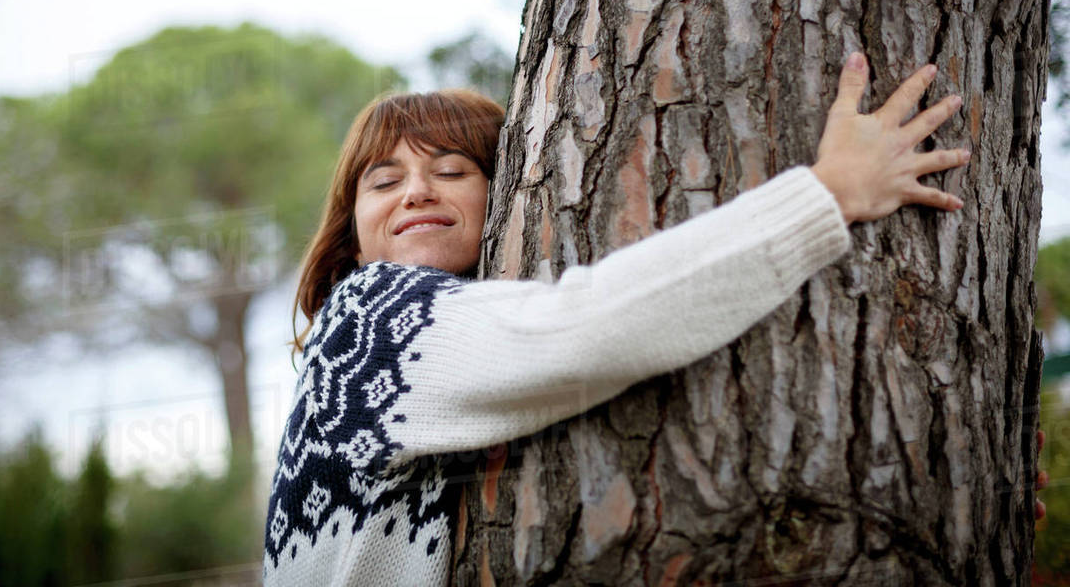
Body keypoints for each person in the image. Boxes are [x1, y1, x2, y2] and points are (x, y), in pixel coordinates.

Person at [261, 53, 1047, 585]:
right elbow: (583, 329)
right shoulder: (367, 322)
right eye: (384, 180)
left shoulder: (426, 370)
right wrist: (827, 194)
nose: (416, 192)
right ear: (352, 232)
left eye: (453, 169)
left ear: (507, 202)